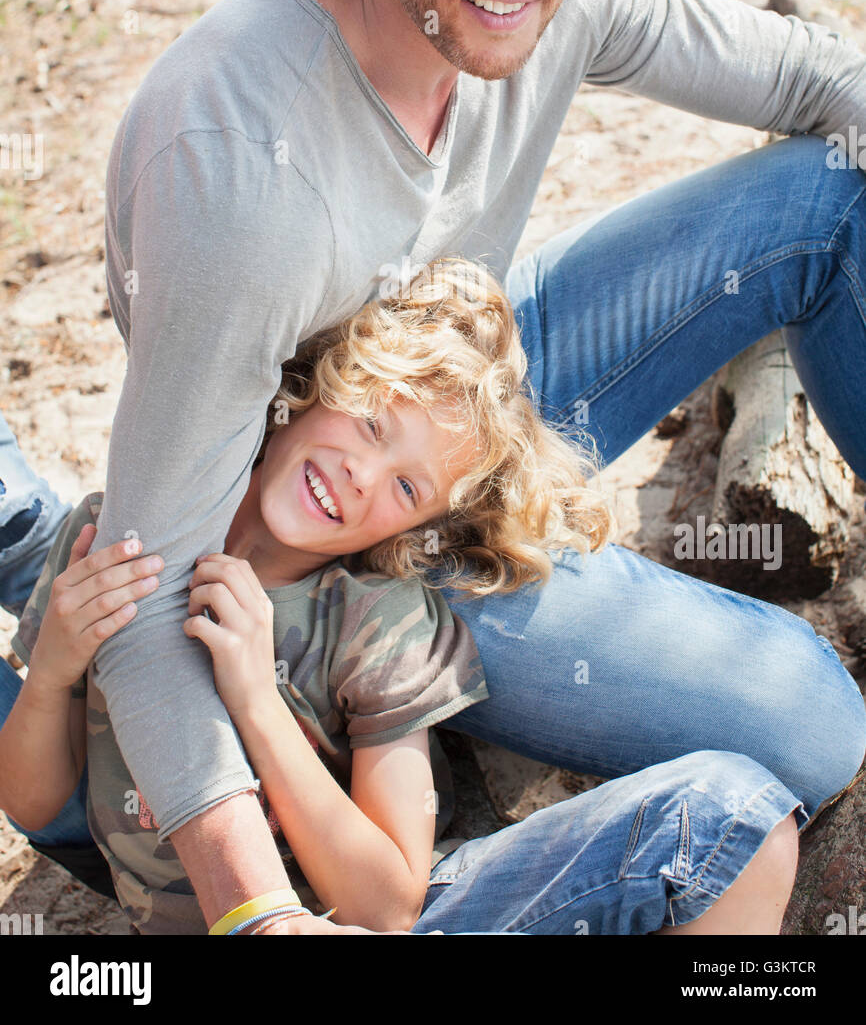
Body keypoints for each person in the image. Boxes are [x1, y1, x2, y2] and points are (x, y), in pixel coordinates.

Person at [1, 0, 864, 932]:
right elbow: (161, 580)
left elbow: (811, 76)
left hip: (459, 378)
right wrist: (255, 915)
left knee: (826, 198)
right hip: (339, 510)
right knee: (808, 724)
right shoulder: (238, 172)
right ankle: (36, 541)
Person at [0, 257, 803, 935]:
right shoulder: (117, 534)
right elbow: (34, 804)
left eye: (407, 485)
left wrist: (255, 697)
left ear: (421, 526)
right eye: (371, 423)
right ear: (314, 383)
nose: (361, 475)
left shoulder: (375, 621)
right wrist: (54, 672)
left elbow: (387, 903)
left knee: (735, 819)